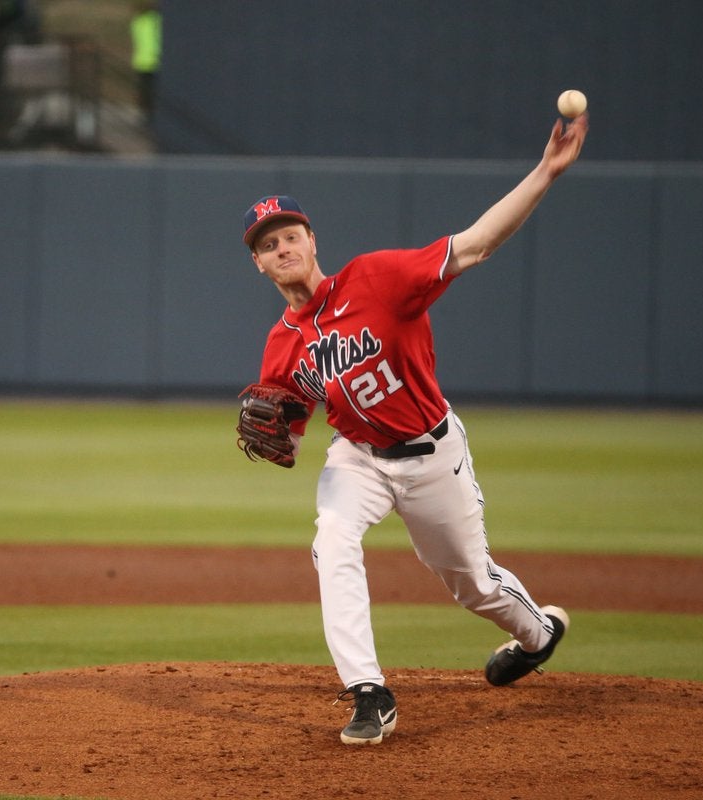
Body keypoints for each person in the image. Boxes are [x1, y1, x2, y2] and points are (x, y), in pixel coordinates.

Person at [238, 111, 589, 746]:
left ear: (314, 241)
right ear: (259, 265)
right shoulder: (281, 344)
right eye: (268, 244)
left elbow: (477, 243)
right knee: (333, 540)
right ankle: (369, 692)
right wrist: (277, 441)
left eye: (290, 235)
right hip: (358, 457)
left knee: (472, 583)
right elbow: (287, 433)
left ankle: (539, 635)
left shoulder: (378, 278)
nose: (282, 248)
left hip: (432, 454)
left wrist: (545, 172)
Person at [129, 0, 161, 122]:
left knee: (144, 92)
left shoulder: (137, 21)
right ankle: (153, 116)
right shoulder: (157, 21)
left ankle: (145, 115)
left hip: (141, 62)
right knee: (155, 92)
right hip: (155, 62)